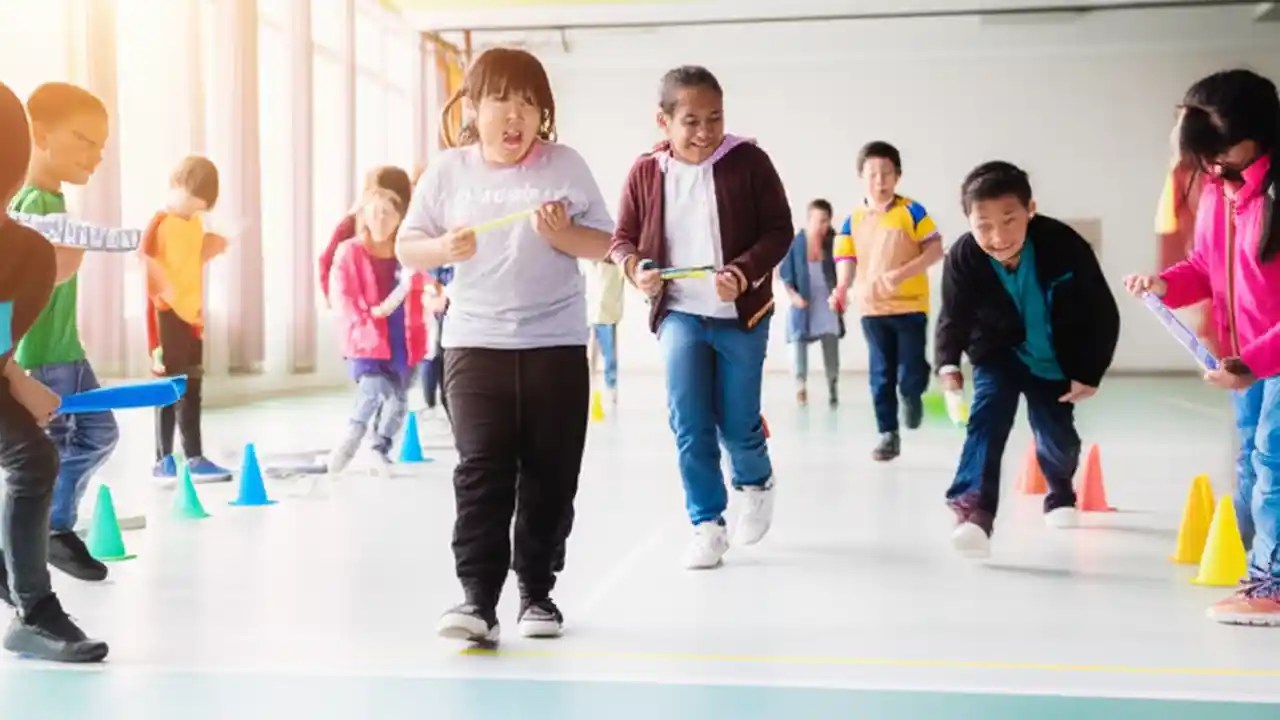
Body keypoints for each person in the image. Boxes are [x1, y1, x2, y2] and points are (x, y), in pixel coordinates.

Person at [397, 48, 614, 642]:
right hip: (475, 344)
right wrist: (442, 251)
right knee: (481, 470)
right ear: (473, 107)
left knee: (550, 474)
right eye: (500, 100)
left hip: (556, 344)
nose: (515, 115)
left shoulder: (565, 165)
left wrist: (564, 233)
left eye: (528, 103)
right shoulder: (448, 171)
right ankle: (476, 600)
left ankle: (537, 593)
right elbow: (407, 245)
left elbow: (606, 243)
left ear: (542, 112)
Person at [610, 65, 792, 570]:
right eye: (691, 121)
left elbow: (779, 230)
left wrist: (744, 271)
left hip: (739, 316)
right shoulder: (645, 172)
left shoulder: (748, 161)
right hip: (680, 315)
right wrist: (636, 269)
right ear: (663, 121)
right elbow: (621, 238)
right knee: (689, 422)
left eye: (715, 118)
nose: (705, 132)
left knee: (737, 424)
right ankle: (707, 523)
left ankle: (756, 482)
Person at [1125, 69, 1280, 626]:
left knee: (1274, 463)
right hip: (1247, 362)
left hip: (1269, 359)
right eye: (1204, 156)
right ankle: (1259, 564)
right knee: (1251, 462)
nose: (1213, 166)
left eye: (1221, 151)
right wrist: (1166, 283)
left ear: (1261, 133)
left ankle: (1274, 583)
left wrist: (1255, 361)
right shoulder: (1219, 192)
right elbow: (1207, 268)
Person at [938, 161, 1118, 559]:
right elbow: (953, 317)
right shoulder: (964, 257)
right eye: (983, 224)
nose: (998, 236)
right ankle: (973, 515)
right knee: (985, 421)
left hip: (1054, 360)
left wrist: (1090, 371)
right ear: (968, 221)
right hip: (997, 355)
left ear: (1030, 210)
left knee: (1058, 440)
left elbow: (1102, 311)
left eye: (1009, 220)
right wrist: (949, 367)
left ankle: (1059, 491)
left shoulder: (1064, 244)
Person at [0, 79, 109, 663]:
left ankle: (31, 608)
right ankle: (30, 603)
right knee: (32, 455)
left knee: (33, 454)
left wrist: (13, 375)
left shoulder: (25, 251)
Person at [830, 142, 943, 462]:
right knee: (881, 373)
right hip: (872, 308)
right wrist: (841, 288)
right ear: (861, 177)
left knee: (909, 373)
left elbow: (935, 250)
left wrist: (902, 274)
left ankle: (913, 394)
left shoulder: (912, 211)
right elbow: (846, 257)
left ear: (898, 176)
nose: (879, 181)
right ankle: (888, 434)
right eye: (872, 174)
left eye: (886, 174)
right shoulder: (852, 219)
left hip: (910, 305)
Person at [141, 156, 233, 482]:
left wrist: (212, 247)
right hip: (167, 317)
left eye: (201, 206)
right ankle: (162, 458)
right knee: (168, 387)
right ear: (178, 186)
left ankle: (194, 455)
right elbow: (149, 266)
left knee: (192, 386)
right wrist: (164, 303)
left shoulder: (193, 224)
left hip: (191, 317)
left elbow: (190, 264)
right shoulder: (160, 224)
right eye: (193, 201)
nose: (195, 210)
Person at [327, 187, 427, 473]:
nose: (380, 219)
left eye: (387, 213)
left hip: (403, 339)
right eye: (374, 212)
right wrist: (364, 318)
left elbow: (424, 285)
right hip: (367, 338)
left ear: (399, 218)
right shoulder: (350, 252)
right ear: (364, 216)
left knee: (398, 400)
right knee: (372, 392)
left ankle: (379, 446)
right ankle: (346, 448)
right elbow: (342, 295)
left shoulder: (407, 253)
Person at [779, 198, 843, 407]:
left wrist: (841, 293)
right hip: (803, 302)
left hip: (826, 301)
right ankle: (800, 387)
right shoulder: (795, 243)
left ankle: (832, 385)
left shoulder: (833, 242)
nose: (824, 226)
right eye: (820, 221)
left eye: (827, 221)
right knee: (798, 342)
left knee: (830, 342)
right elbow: (784, 274)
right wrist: (794, 297)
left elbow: (844, 268)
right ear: (809, 220)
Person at [317, 166, 413, 305]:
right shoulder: (350, 227)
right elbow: (326, 263)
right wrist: (339, 303)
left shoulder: (408, 232)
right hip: (359, 311)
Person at [585, 259, 624, 405]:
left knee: (609, 355)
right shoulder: (592, 265)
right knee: (590, 355)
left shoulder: (616, 268)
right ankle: (590, 385)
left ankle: (611, 387)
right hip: (592, 314)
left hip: (607, 316)